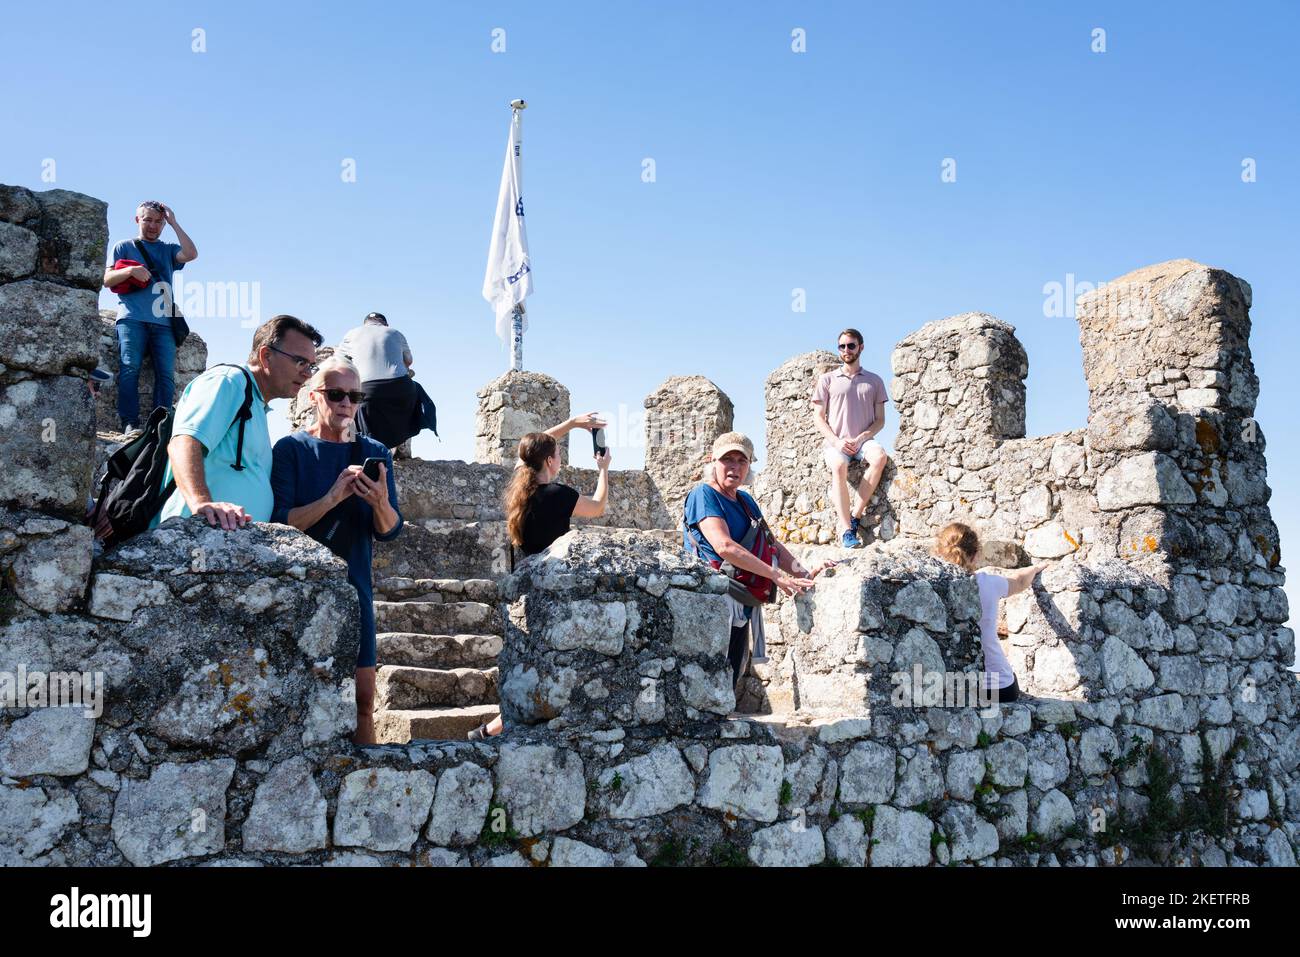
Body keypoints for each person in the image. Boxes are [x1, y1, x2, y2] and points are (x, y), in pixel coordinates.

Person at [271, 356, 403, 745]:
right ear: (315, 396)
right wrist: (332, 498)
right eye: (337, 394)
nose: (347, 403)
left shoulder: (374, 450)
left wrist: (379, 502)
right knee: (296, 699)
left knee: (364, 700)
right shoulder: (291, 450)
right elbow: (279, 525)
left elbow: (391, 531)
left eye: (355, 395)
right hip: (301, 592)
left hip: (355, 586)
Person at [468, 412, 610, 739]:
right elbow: (598, 506)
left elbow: (528, 451)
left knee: (528, 669)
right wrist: (603, 470)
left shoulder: (522, 490)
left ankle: (486, 732)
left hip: (522, 592)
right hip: (551, 595)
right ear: (550, 461)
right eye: (558, 454)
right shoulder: (558, 495)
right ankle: (494, 730)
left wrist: (573, 424)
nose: (560, 459)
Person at [684, 432, 829, 689]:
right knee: (711, 679)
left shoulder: (746, 501)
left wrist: (803, 572)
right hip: (713, 600)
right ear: (712, 461)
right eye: (727, 459)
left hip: (743, 599)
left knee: (731, 673)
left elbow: (771, 543)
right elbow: (724, 546)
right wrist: (774, 575)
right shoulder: (703, 495)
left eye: (742, 461)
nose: (735, 467)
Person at [154, 314, 323, 531]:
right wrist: (201, 503)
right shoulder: (229, 382)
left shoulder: (256, 404)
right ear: (266, 356)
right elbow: (184, 442)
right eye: (300, 362)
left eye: (311, 366)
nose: (308, 374)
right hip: (195, 536)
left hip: (227, 543)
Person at [102, 201, 198, 435]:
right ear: (137, 220)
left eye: (158, 221)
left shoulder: (167, 250)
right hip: (131, 318)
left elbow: (191, 254)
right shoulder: (123, 246)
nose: (153, 226)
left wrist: (174, 222)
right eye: (148, 220)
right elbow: (106, 279)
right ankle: (129, 423)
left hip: (164, 322)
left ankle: (159, 428)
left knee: (165, 374)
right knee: (129, 369)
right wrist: (130, 271)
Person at [931, 522, 1048, 704]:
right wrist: (1034, 568)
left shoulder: (930, 588)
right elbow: (1020, 581)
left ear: (938, 551)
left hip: (949, 685)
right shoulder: (988, 583)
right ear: (976, 555)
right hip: (998, 687)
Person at [812, 328, 891, 549]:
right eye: (842, 346)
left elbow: (880, 420)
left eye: (851, 345)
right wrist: (836, 441)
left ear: (861, 347)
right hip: (835, 442)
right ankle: (847, 530)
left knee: (879, 457)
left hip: (863, 441)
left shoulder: (874, 381)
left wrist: (863, 437)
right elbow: (818, 417)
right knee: (838, 466)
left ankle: (855, 516)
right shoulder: (827, 380)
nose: (846, 350)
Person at [336, 312, 437, 452]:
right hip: (401, 388)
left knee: (349, 408)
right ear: (385, 324)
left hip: (367, 389)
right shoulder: (395, 333)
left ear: (365, 323)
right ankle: (401, 441)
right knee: (416, 388)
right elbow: (408, 361)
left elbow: (339, 362)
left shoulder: (351, 334)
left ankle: (349, 448)